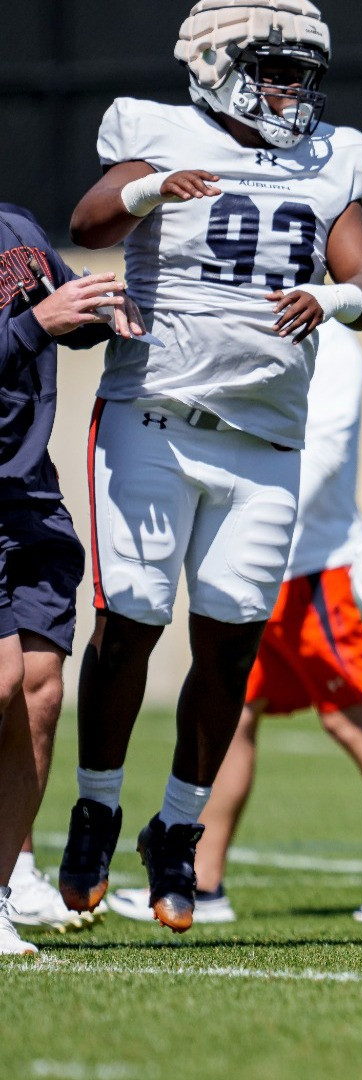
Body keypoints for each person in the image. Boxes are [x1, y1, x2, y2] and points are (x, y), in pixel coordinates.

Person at [60, 0, 362, 933]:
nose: (293, 87)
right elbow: (87, 221)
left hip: (265, 438)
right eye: (273, 65)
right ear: (214, 62)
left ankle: (178, 829)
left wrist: (331, 297)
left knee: (233, 638)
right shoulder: (156, 131)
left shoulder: (333, 158)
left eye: (301, 70)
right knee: (129, 618)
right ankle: (95, 807)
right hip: (154, 415)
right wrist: (150, 191)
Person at [101, 321, 362, 926]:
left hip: (313, 566)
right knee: (235, 711)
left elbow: (327, 451)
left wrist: (254, 532)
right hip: (256, 571)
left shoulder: (334, 344)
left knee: (350, 714)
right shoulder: (243, 322)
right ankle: (204, 881)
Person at [0, 203, 142, 953]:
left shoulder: (17, 228)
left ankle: (11, 876)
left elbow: (60, 312)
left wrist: (101, 309)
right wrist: (36, 324)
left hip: (30, 495)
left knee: (40, 689)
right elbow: (32, 325)